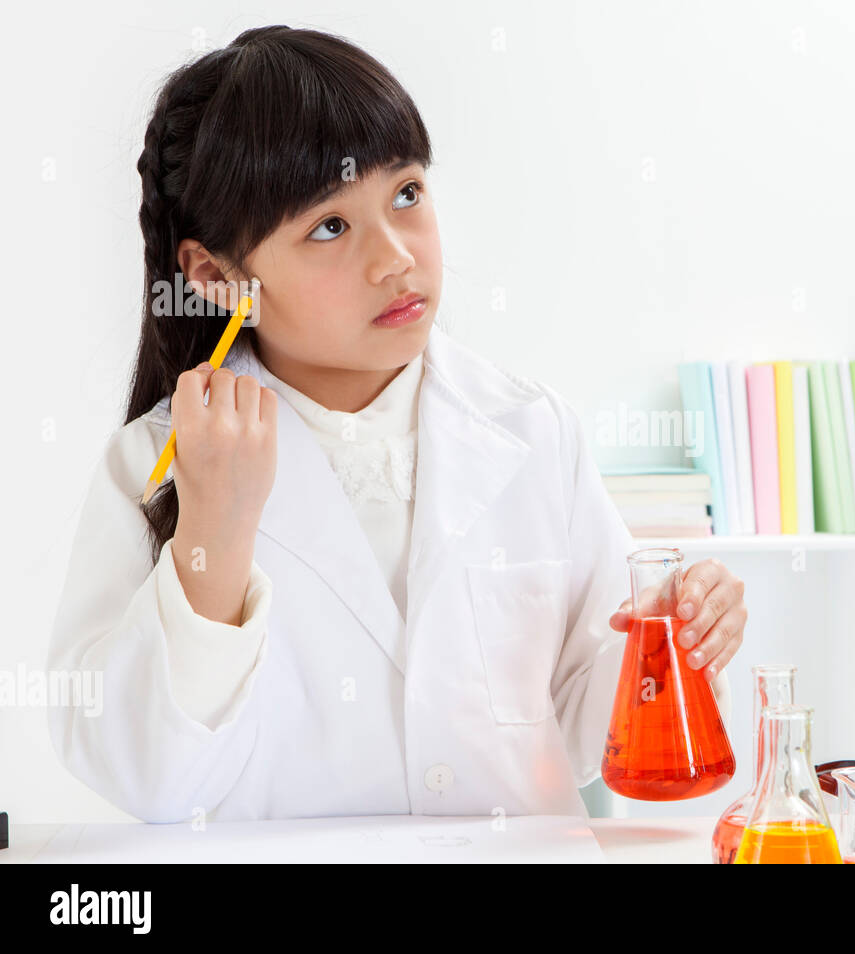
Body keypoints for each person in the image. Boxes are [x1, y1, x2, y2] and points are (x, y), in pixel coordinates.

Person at [47, 25, 746, 823]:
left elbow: (591, 730)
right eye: (329, 228)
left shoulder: (532, 430)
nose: (395, 258)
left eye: (406, 194)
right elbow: (150, 780)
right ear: (216, 276)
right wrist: (215, 526)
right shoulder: (152, 464)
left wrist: (676, 639)